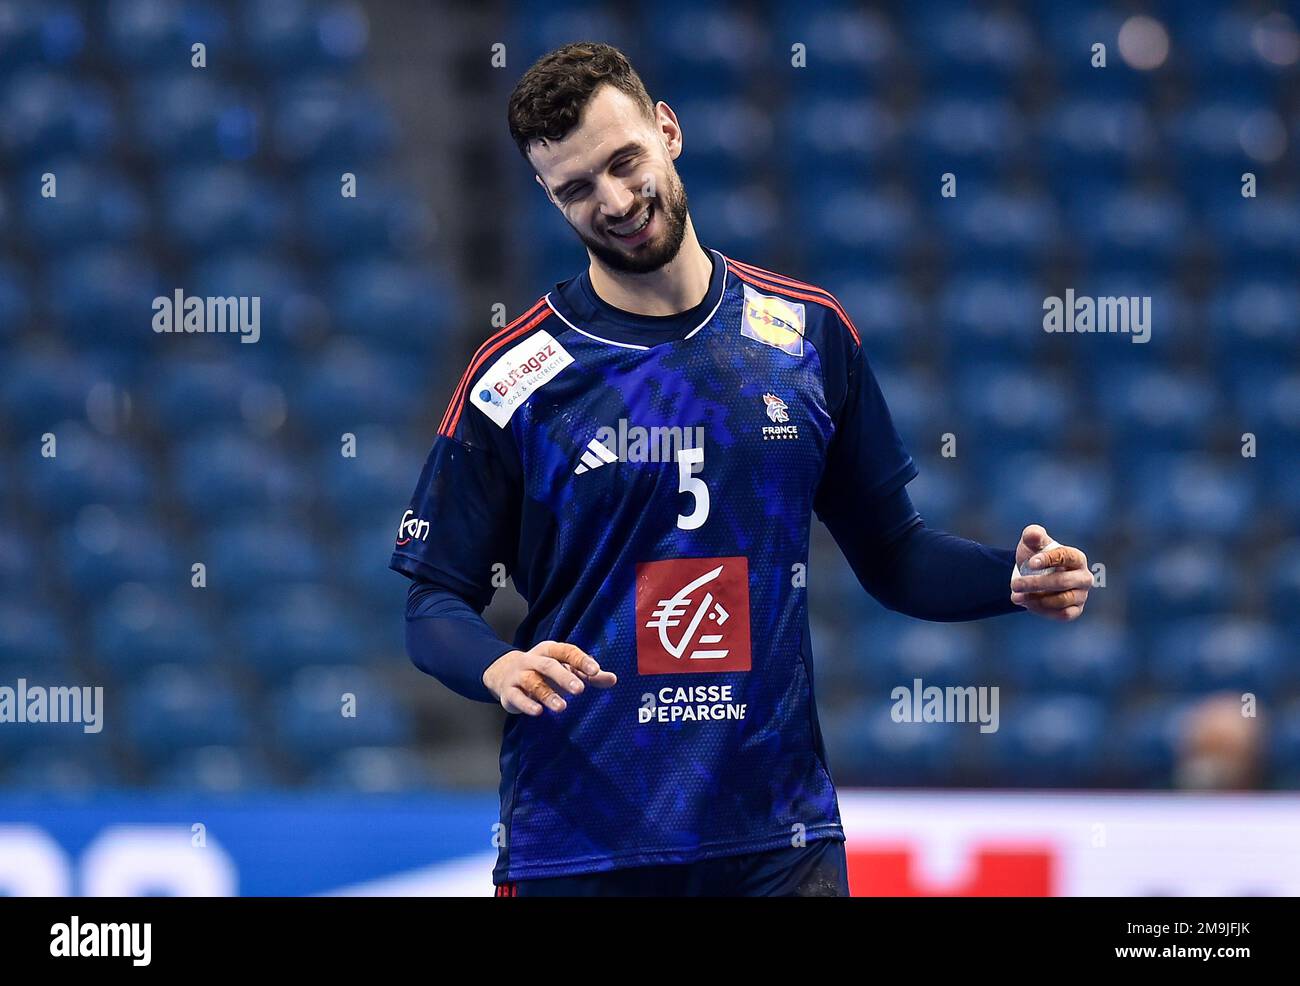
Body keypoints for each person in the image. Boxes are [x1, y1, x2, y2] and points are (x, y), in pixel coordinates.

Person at [390, 42, 1093, 897]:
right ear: (547, 195)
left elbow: (896, 555)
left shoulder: (808, 335)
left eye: (624, 163)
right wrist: (496, 666)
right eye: (576, 188)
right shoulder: (515, 377)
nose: (613, 201)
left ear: (668, 131)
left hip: (776, 839)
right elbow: (432, 605)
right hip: (580, 846)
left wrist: (1006, 581)